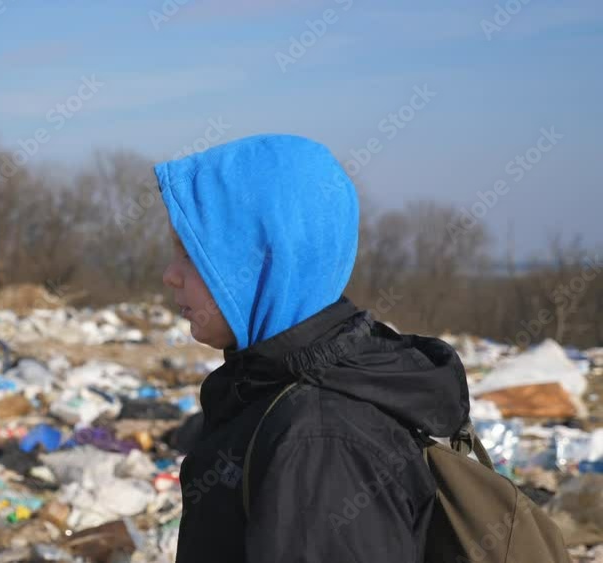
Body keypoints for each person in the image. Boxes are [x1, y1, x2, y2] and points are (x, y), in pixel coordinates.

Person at [156, 134, 470, 562]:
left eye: (190, 253)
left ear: (264, 260)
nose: (170, 276)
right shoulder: (275, 392)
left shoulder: (319, 440)